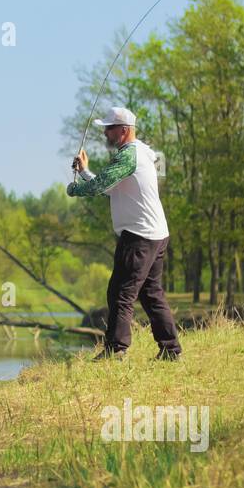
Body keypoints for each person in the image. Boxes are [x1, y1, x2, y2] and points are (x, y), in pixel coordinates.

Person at [67, 107, 182, 360]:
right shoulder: (140, 152)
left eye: (109, 128)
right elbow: (112, 188)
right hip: (156, 234)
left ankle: (116, 350)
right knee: (151, 294)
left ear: (124, 130)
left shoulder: (128, 157)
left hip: (139, 236)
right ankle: (171, 350)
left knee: (120, 292)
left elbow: (100, 186)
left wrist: (74, 188)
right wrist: (85, 171)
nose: (105, 133)